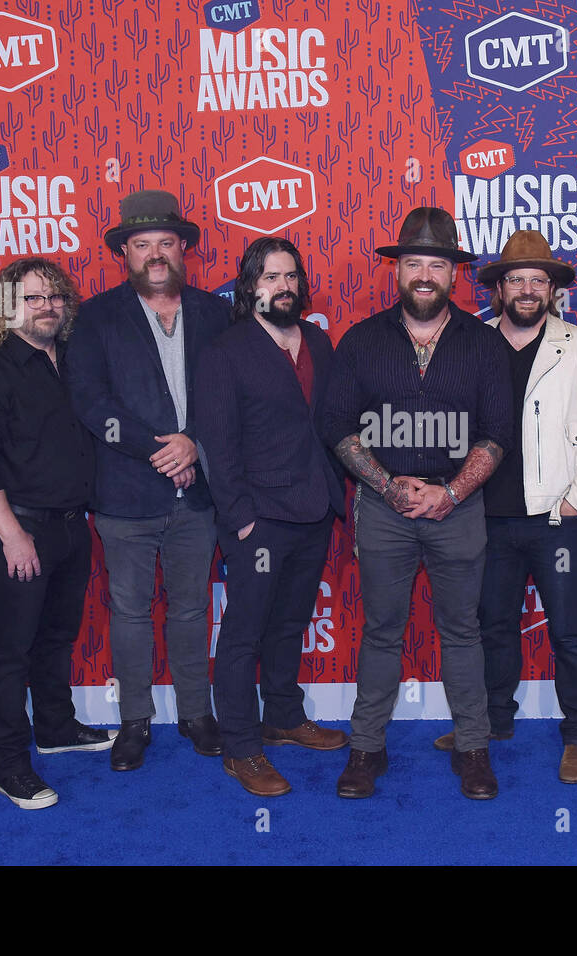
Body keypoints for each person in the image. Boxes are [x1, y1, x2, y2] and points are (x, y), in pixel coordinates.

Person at [319, 207, 512, 800]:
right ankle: (365, 748)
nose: (424, 274)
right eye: (413, 263)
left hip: (460, 509)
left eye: (437, 263)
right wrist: (389, 486)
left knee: (462, 631)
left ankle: (474, 748)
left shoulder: (482, 344)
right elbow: (338, 426)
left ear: (454, 274)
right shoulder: (361, 339)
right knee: (381, 632)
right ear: (396, 270)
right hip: (383, 510)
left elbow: (497, 432)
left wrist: (451, 492)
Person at [432, 229, 577, 784]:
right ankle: (492, 721)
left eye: (539, 279)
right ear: (499, 288)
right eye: (517, 279)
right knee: (493, 626)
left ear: (553, 289)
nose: (528, 289)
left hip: (557, 518)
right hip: (486, 514)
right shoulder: (473, 341)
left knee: (572, 630)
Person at [65, 189, 230, 771]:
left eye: (165, 243)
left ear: (182, 248)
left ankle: (195, 713)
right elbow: (89, 400)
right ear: (124, 253)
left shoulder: (216, 313)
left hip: (199, 492)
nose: (155, 254)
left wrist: (195, 444)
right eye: (142, 245)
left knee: (190, 609)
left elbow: (233, 396)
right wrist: (160, 449)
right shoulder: (95, 316)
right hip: (125, 493)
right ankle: (134, 720)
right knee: (129, 612)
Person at [0, 258, 109, 810]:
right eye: (31, 298)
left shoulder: (73, 364)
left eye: (54, 297)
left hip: (72, 525)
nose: (45, 306)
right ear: (4, 308)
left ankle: (57, 729)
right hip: (21, 527)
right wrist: (13, 535)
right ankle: (10, 765)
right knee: (12, 651)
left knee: (57, 639)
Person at [193, 236, 348, 797]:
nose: (283, 287)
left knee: (290, 624)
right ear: (248, 287)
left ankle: (283, 716)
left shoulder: (318, 341)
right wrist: (240, 520)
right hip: (258, 517)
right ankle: (240, 746)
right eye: (270, 277)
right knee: (244, 634)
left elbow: (330, 424)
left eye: (290, 276)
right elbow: (217, 441)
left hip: (313, 510)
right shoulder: (225, 351)